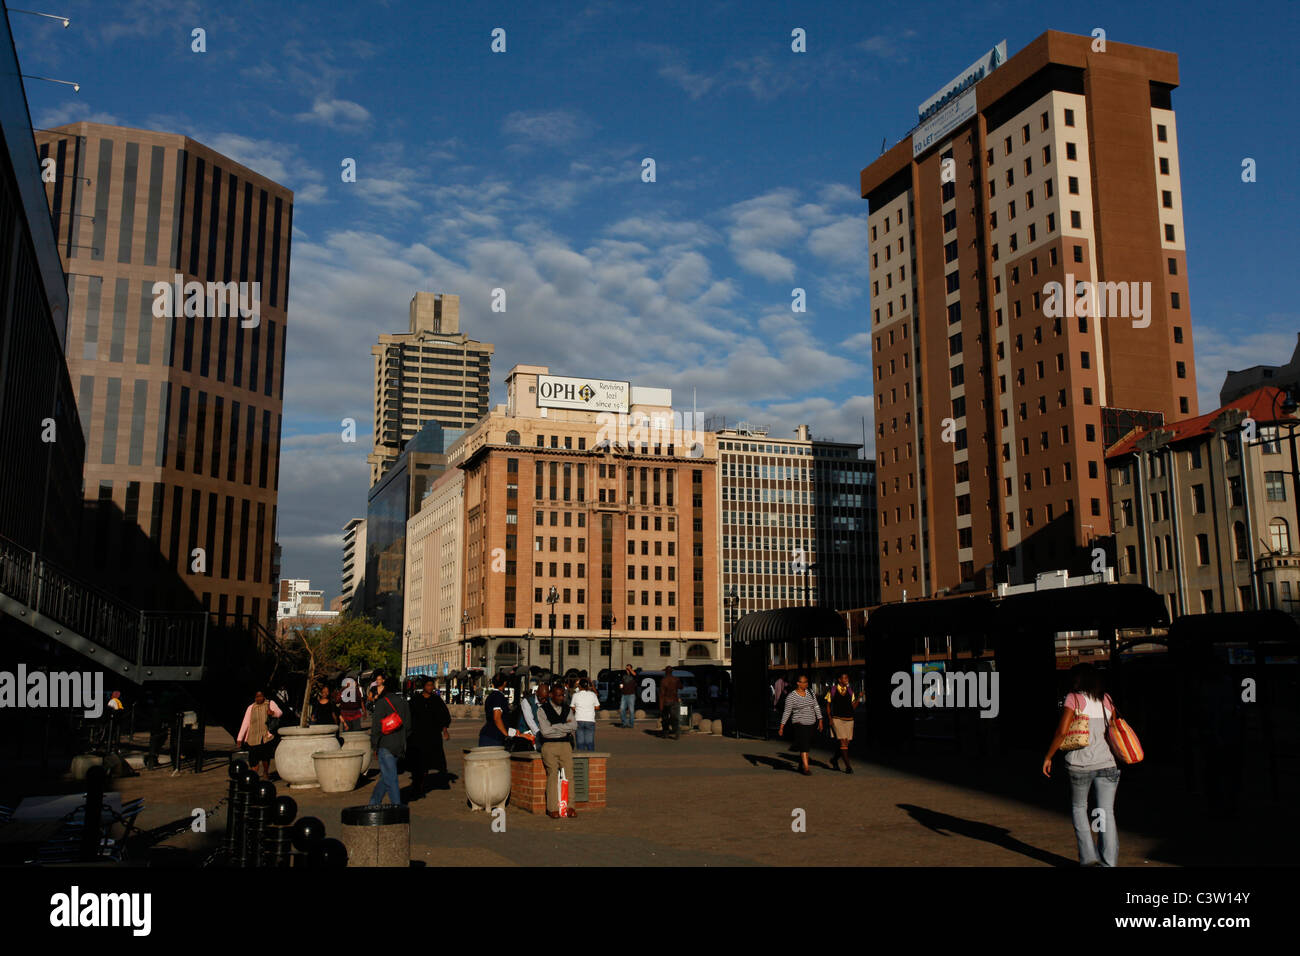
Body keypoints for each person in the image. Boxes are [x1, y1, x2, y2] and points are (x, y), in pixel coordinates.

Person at [1042, 663, 1121, 866]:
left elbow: (1062, 732)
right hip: (1108, 764)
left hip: (1080, 765)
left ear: (1078, 679)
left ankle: (1088, 858)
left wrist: (1049, 756)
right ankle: (1108, 862)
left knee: (1079, 808)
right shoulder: (1107, 699)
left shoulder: (1073, 698)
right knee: (1105, 813)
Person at [536, 683, 579, 818]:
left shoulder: (567, 709)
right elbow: (545, 732)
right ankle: (552, 808)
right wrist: (564, 727)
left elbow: (574, 726)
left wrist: (555, 726)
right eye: (559, 695)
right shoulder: (542, 710)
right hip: (549, 746)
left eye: (563, 695)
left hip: (565, 745)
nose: (562, 698)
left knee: (570, 775)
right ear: (551, 695)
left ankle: (571, 806)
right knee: (552, 775)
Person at [368, 673, 411, 807]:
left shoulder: (381, 703)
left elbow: (376, 727)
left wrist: (374, 745)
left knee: (390, 777)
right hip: (399, 744)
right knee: (387, 774)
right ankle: (374, 802)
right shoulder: (403, 702)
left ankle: (396, 806)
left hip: (385, 743)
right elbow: (409, 726)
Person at [407, 677, 452, 797]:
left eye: (432, 685)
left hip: (433, 736)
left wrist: (445, 730)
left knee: (430, 759)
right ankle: (418, 784)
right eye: (428, 685)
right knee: (417, 761)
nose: (430, 688)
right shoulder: (415, 700)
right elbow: (409, 716)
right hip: (417, 735)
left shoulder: (437, 700)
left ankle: (424, 780)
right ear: (423, 687)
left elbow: (444, 715)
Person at [779, 675, 823, 775]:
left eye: (807, 682)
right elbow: (787, 712)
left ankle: (801, 764)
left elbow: (816, 706)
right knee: (804, 745)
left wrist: (820, 720)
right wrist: (782, 726)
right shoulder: (791, 696)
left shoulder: (810, 692)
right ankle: (806, 768)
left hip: (811, 722)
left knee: (806, 744)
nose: (806, 684)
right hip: (799, 723)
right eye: (804, 682)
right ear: (798, 683)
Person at [236, 690, 282, 781]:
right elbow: (245, 723)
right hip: (253, 737)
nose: (259, 698)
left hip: (265, 736)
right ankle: (254, 776)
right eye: (257, 697)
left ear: (264, 696)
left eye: (260, 696)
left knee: (265, 757)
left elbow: (280, 712)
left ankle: (265, 772)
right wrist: (239, 738)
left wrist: (272, 713)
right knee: (253, 758)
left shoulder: (270, 703)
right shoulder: (251, 707)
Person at [825, 673, 860, 773]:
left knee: (846, 744)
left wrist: (858, 698)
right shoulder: (833, 690)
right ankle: (848, 767)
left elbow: (853, 707)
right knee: (843, 742)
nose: (846, 679)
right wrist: (829, 718)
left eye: (847, 677)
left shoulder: (850, 691)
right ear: (839, 680)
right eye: (844, 678)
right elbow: (828, 705)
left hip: (849, 720)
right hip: (837, 719)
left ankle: (834, 759)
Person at [478, 675, 513, 747]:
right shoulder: (498, 696)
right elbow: (497, 717)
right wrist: (506, 735)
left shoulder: (491, 695)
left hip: (488, 735)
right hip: (494, 737)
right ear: (504, 683)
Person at [571, 678, 600, 751]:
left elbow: (572, 707)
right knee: (590, 742)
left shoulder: (575, 695)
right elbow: (597, 707)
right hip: (590, 720)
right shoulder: (592, 694)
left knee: (580, 742)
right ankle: (591, 759)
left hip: (579, 719)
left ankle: (581, 759)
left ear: (579, 686)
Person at [519, 681, 548, 750]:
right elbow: (530, 721)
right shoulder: (527, 701)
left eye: (545, 698)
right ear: (536, 693)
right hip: (527, 731)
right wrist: (539, 734)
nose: (544, 700)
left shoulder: (548, 701)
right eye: (541, 698)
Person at [659, 666, 682, 739]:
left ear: (665, 672)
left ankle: (665, 732)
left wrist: (661, 706)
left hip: (666, 701)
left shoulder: (663, 680)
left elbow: (662, 694)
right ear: (672, 672)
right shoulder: (676, 679)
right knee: (675, 717)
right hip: (674, 700)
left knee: (665, 718)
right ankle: (676, 731)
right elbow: (681, 687)